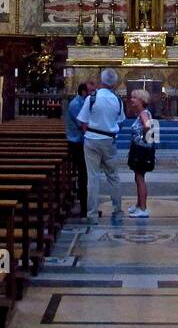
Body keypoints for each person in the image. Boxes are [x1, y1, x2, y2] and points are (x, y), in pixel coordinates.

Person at [77, 67, 125, 224]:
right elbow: (120, 121)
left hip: (91, 139)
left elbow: (82, 120)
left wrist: (88, 134)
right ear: (115, 83)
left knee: (93, 178)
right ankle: (117, 210)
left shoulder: (92, 98)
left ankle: (91, 214)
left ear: (101, 81)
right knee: (113, 176)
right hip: (109, 140)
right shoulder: (117, 100)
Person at [126, 89, 156, 218]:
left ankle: (143, 208)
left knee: (140, 178)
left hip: (141, 149)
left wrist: (143, 137)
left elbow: (147, 126)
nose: (131, 100)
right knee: (138, 177)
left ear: (141, 100)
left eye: (134, 98)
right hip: (140, 148)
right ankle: (139, 204)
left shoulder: (144, 113)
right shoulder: (143, 113)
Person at [65, 82, 91, 214]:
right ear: (83, 92)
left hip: (81, 141)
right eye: (90, 92)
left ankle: (86, 205)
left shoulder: (81, 103)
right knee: (83, 173)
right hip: (76, 143)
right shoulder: (75, 104)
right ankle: (84, 207)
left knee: (85, 174)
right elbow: (81, 124)